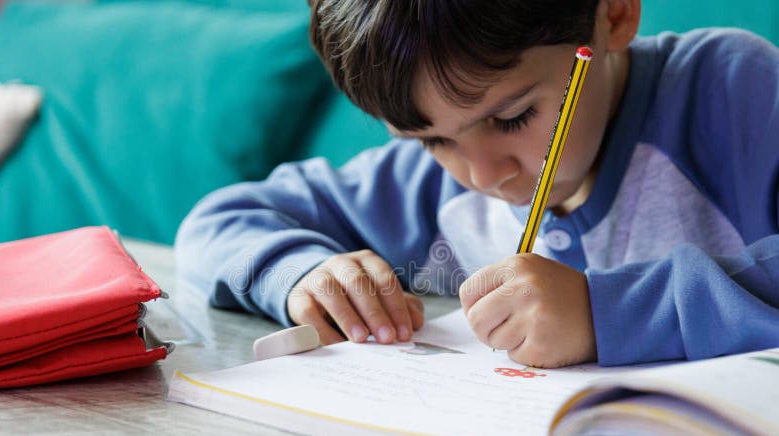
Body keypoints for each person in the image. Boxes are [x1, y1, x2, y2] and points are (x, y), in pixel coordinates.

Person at [175, 0, 779, 367]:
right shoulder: (431, 185)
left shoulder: (733, 95)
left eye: (512, 118)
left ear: (613, 13)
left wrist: (609, 313)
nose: (482, 176)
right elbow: (217, 223)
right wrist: (302, 273)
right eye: (432, 139)